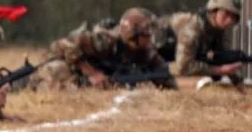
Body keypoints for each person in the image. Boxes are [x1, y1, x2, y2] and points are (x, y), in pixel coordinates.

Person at [29, 7, 176, 90]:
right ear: (134, 36)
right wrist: (91, 73)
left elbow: (166, 78)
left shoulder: (145, 51)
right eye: (146, 34)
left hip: (100, 77)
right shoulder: (105, 40)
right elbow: (64, 47)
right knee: (65, 80)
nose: (150, 37)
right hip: (66, 65)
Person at [155, 0, 243, 81]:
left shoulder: (217, 30)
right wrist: (219, 70)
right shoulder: (193, 28)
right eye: (226, 14)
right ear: (214, 11)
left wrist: (236, 78)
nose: (229, 20)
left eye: (233, 17)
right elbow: (184, 66)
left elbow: (223, 59)